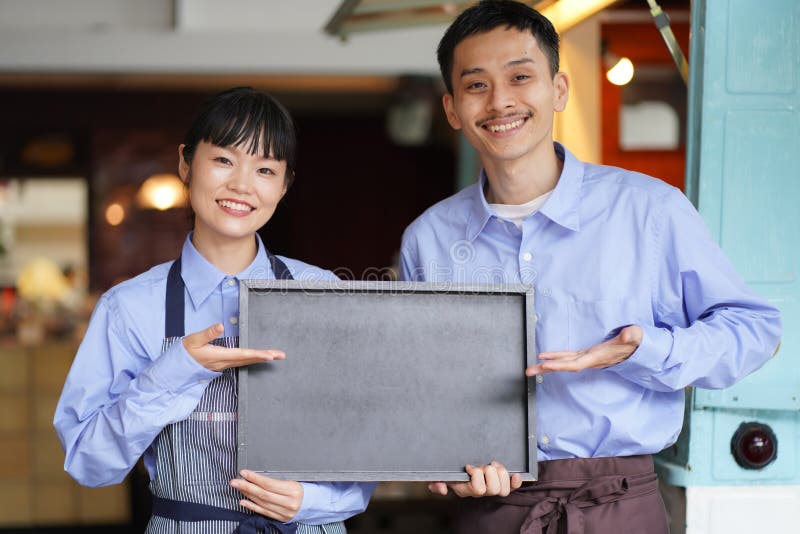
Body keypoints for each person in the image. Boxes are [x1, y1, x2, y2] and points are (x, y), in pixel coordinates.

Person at [398, 1, 782, 532]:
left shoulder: (650, 210)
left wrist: (645, 349)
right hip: (492, 510)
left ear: (558, 89)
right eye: (477, 85)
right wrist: (442, 462)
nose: (501, 101)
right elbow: (422, 387)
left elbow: (758, 331)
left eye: (520, 77)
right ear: (452, 107)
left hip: (621, 505)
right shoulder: (428, 240)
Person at [54, 87, 375, 533]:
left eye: (265, 169)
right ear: (186, 162)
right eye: (224, 160)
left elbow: (367, 435)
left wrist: (312, 501)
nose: (242, 185)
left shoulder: (321, 290)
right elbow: (89, 463)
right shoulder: (129, 308)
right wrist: (172, 372)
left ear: (284, 186)